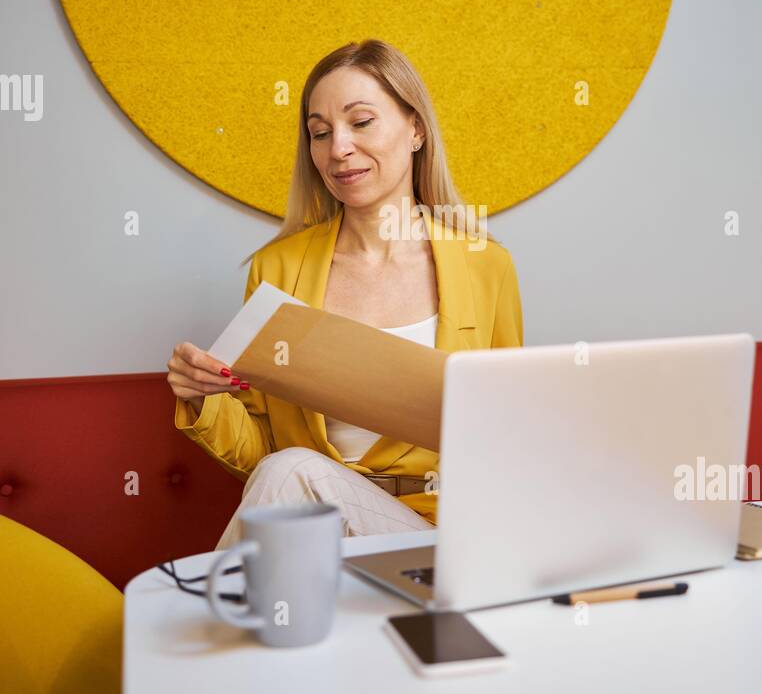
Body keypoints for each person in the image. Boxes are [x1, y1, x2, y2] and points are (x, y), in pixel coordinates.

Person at [167, 38, 523, 548]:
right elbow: (259, 458)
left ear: (416, 129)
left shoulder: (486, 267)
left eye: (361, 122)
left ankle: (210, 622)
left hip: (437, 537)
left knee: (292, 469)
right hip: (309, 535)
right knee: (289, 467)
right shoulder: (278, 268)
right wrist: (203, 400)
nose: (338, 149)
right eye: (320, 132)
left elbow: (509, 437)